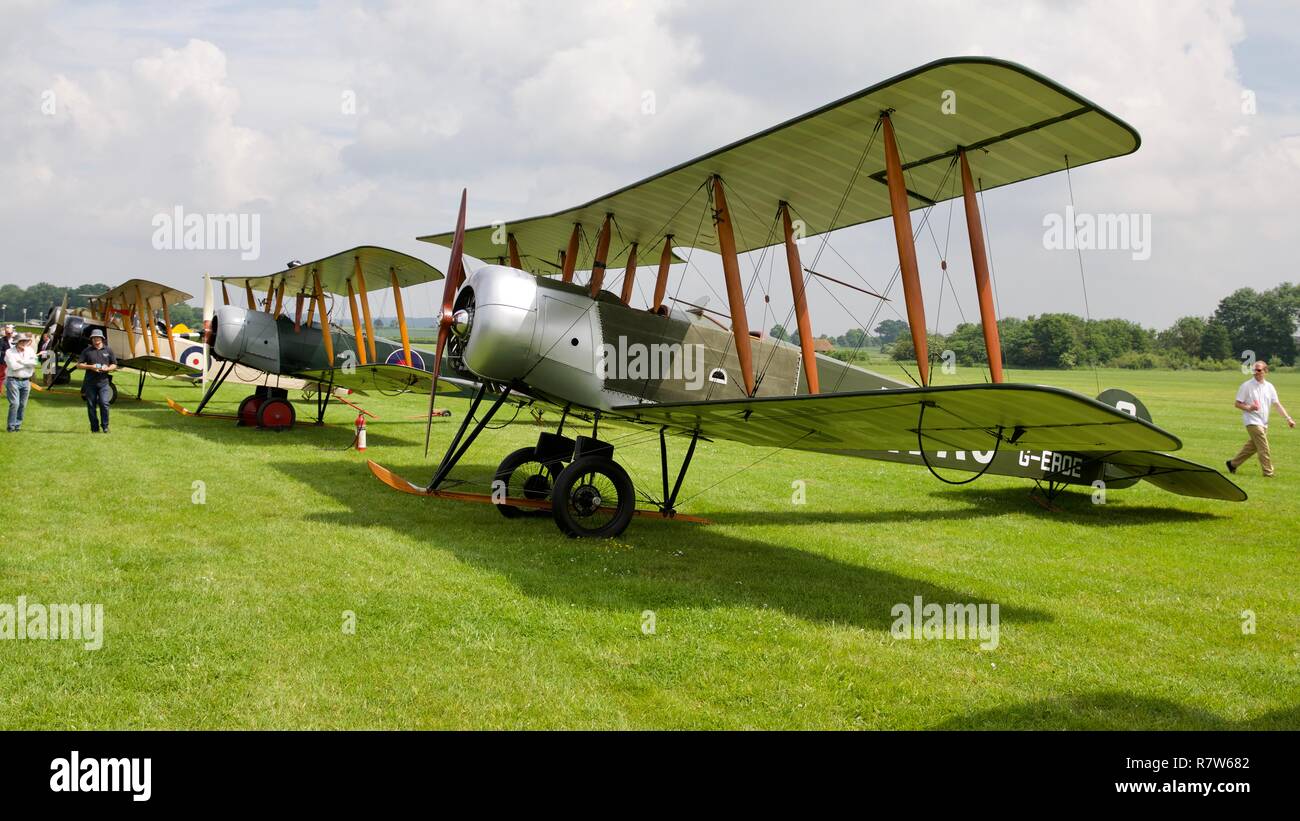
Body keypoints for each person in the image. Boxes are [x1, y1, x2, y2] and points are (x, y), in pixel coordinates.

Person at [1226, 360, 1294, 477]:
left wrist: (1288, 418)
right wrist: (1249, 407)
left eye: (1258, 370)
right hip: (1252, 421)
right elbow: (1237, 404)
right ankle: (1268, 473)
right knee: (1264, 447)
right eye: (1254, 370)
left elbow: (1277, 404)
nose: (1256, 372)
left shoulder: (1270, 387)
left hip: (1264, 423)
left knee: (1252, 448)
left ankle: (1232, 464)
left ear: (1265, 371)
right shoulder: (1246, 386)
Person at [77, 328, 118, 433]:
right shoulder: (87, 351)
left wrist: (107, 368)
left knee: (104, 403)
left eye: (98, 338)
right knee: (91, 406)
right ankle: (94, 429)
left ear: (102, 339)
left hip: (104, 383)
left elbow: (114, 364)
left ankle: (105, 426)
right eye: (94, 338)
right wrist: (91, 367)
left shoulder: (108, 350)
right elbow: (78, 365)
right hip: (90, 383)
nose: (96, 340)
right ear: (92, 339)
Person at [4, 333, 37, 432]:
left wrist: (21, 362)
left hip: (26, 381)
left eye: (25, 341)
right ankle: (11, 426)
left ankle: (17, 426)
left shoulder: (30, 350)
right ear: (17, 342)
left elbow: (35, 363)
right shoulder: (9, 352)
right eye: (21, 341)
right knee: (15, 403)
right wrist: (27, 364)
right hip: (13, 380)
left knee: (23, 405)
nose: (23, 343)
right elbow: (13, 367)